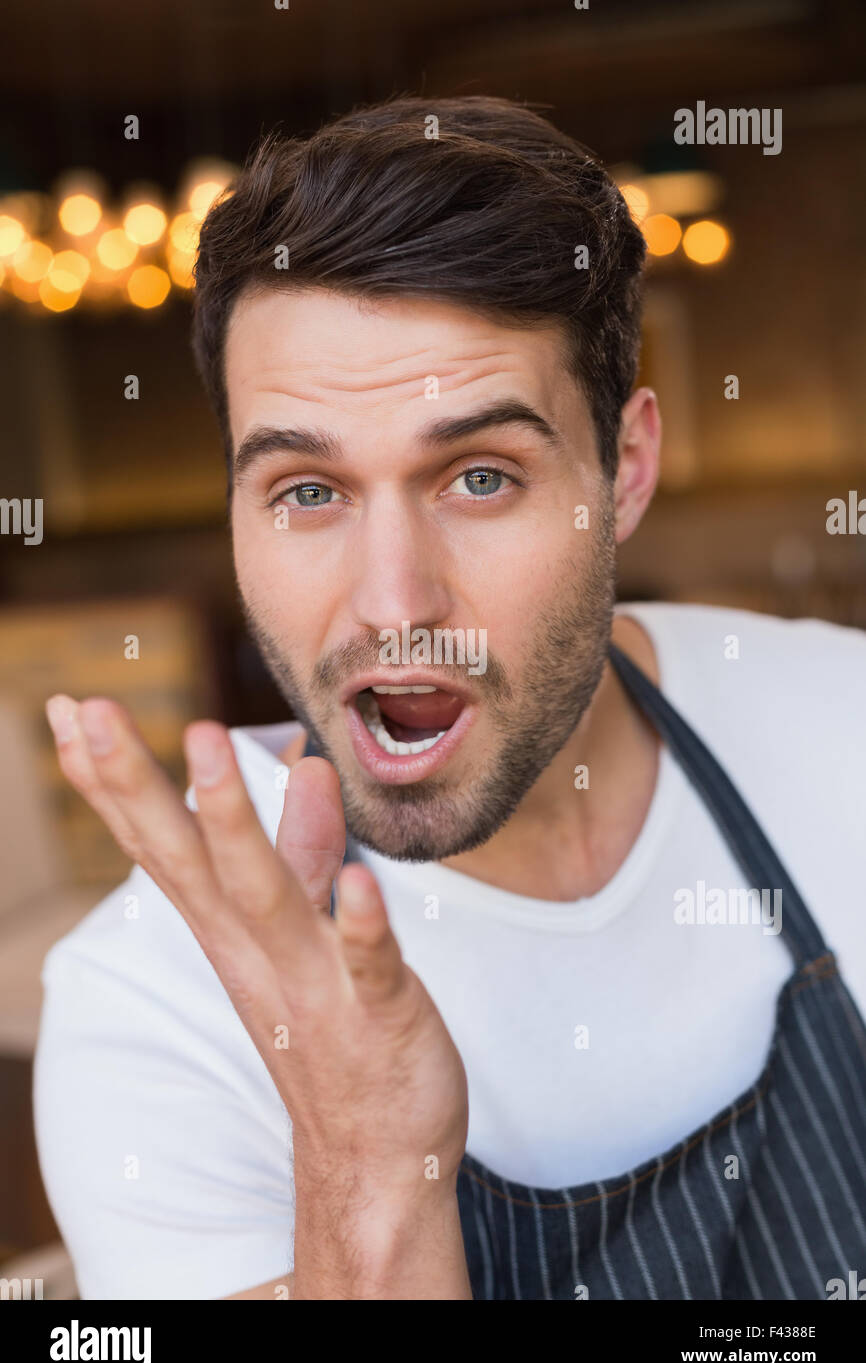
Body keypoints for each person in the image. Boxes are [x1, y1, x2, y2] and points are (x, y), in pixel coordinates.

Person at [35, 95, 866, 1301]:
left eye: (479, 476)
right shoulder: (152, 1005)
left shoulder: (843, 728)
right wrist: (365, 1165)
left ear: (621, 472)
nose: (390, 602)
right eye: (306, 491)